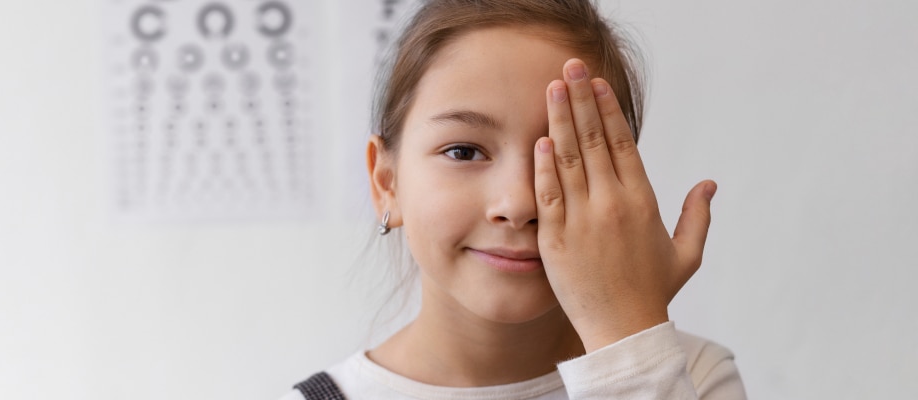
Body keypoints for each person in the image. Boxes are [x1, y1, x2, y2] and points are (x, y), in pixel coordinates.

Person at [280, 0, 747, 399]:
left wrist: (627, 338)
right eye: (463, 151)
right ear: (386, 180)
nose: (520, 203)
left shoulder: (690, 376)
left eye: (567, 157)